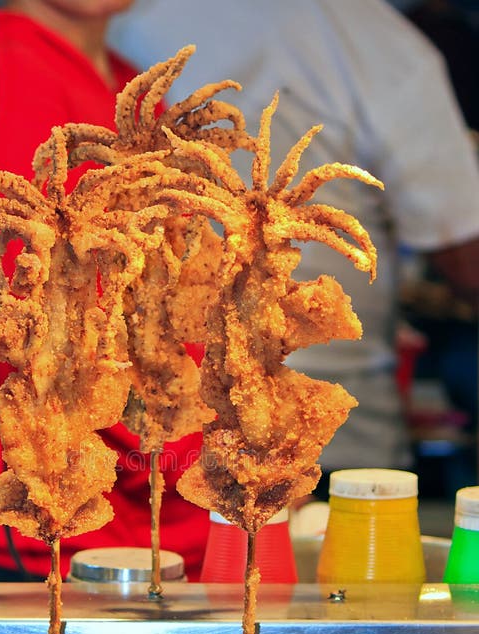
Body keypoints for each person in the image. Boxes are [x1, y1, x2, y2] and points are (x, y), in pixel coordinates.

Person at [109, 0, 479, 495]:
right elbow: (462, 244)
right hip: (306, 446)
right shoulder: (372, 37)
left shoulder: (121, 21)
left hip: (164, 447)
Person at [0, 0, 210, 581]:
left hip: (160, 522)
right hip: (71, 537)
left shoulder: (123, 81)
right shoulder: (8, 73)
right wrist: (204, 454)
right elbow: (49, 321)